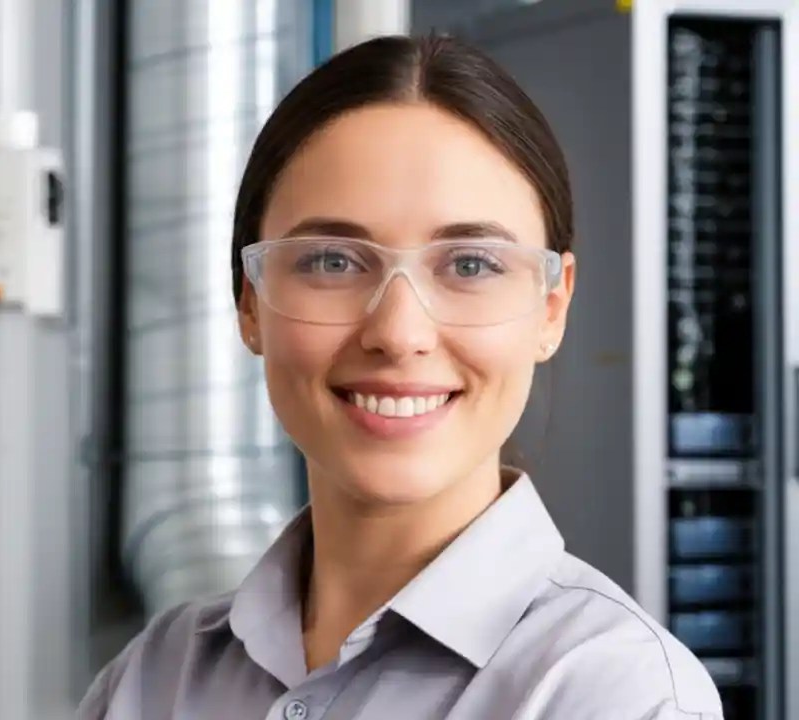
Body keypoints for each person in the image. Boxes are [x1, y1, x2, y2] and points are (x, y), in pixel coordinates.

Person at [79, 33, 723, 720]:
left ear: (551, 308)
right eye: (332, 261)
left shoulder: (617, 695)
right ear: (249, 302)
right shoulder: (155, 678)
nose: (398, 333)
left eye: (470, 264)